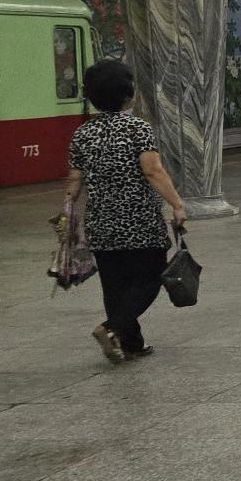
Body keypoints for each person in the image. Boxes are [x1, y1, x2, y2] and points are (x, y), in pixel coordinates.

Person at [62, 59, 188, 363]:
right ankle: (112, 328)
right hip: (139, 221)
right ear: (128, 94)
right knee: (150, 277)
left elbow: (74, 181)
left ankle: (131, 343)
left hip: (101, 223)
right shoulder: (137, 128)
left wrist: (67, 217)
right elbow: (153, 171)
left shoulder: (83, 134)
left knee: (115, 285)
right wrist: (177, 204)